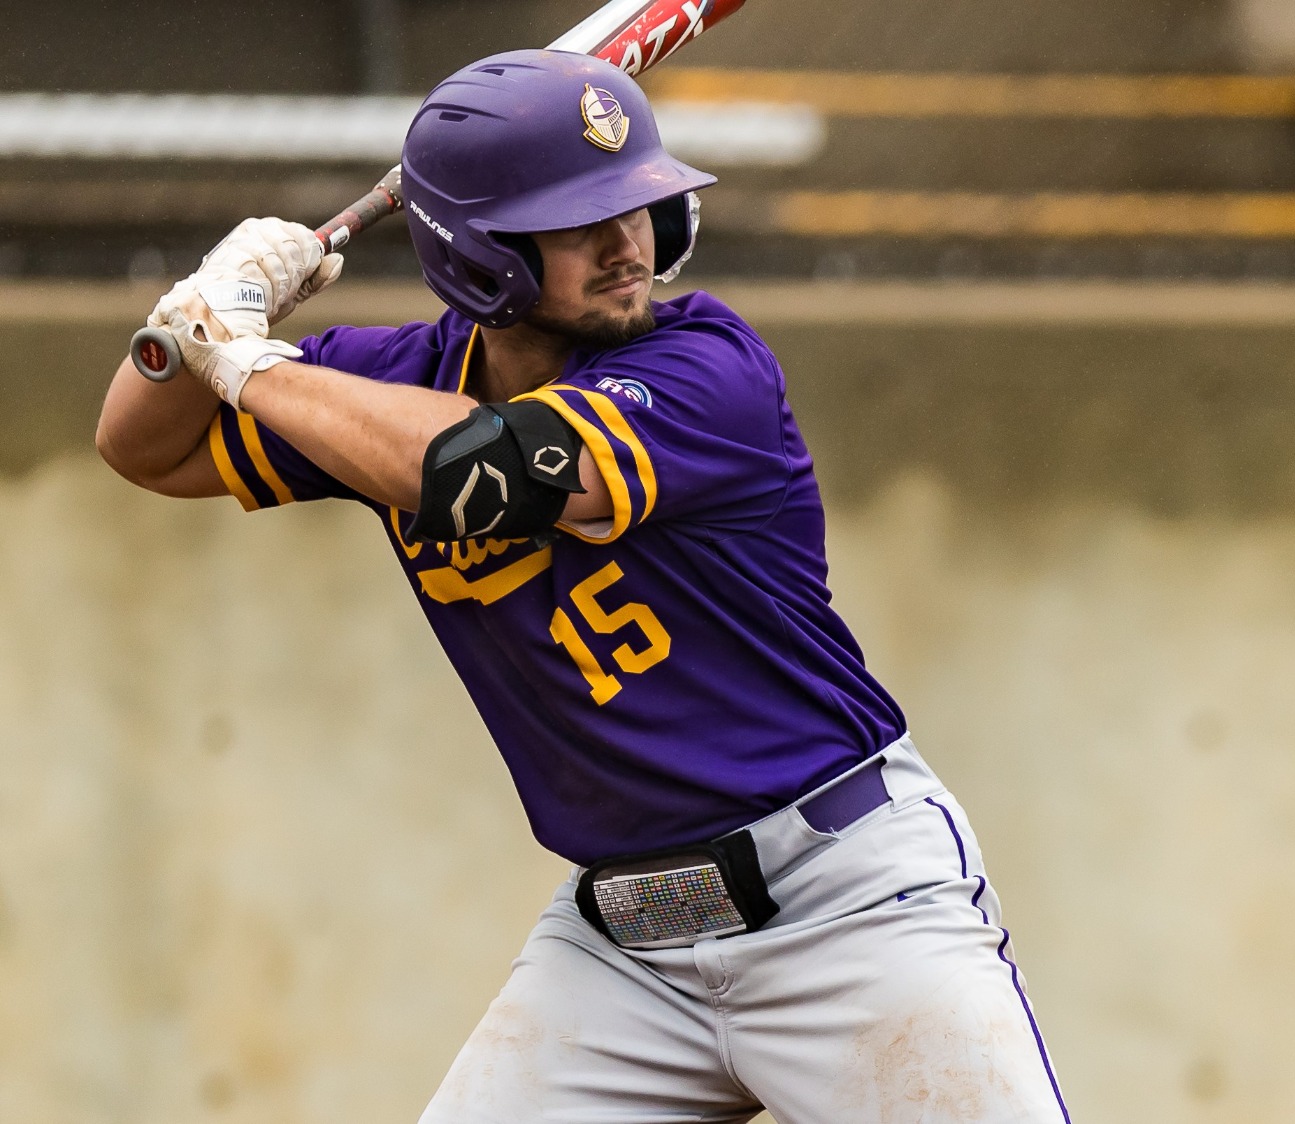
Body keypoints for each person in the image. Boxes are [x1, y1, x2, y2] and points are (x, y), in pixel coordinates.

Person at [95, 49, 1069, 1124]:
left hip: (847, 904)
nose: (628, 243)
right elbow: (146, 450)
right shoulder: (391, 384)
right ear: (480, 256)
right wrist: (187, 322)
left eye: (643, 205)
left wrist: (248, 365)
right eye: (578, 220)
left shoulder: (710, 366)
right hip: (622, 948)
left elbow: (479, 473)